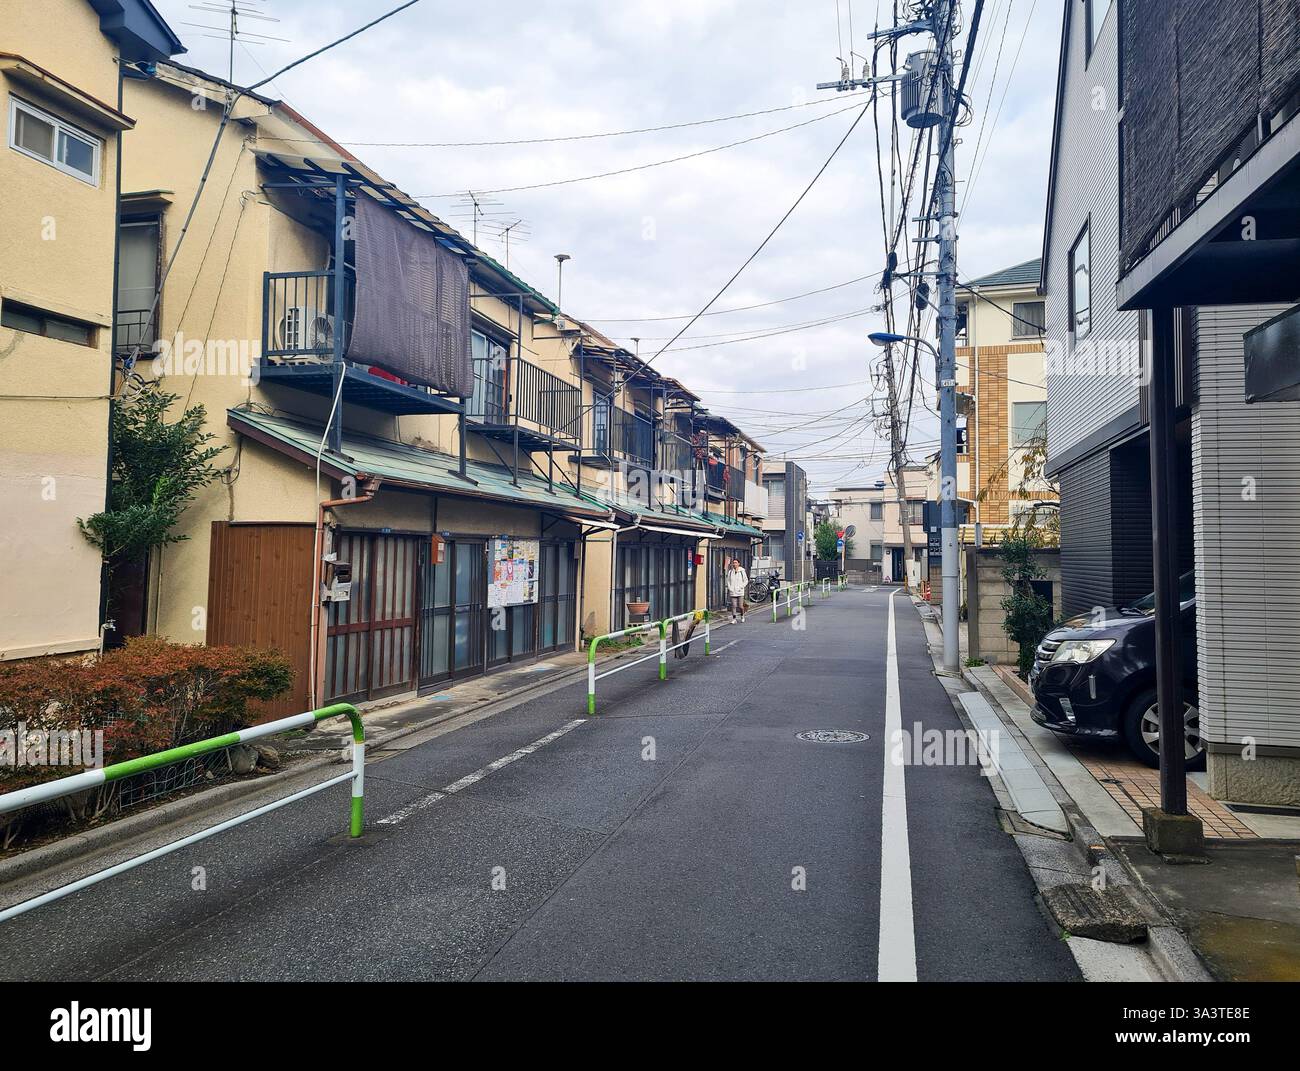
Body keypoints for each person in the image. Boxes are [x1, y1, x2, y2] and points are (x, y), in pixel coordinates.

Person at [725, 557, 748, 623]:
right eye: (733, 563)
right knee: (734, 605)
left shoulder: (742, 571)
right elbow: (728, 581)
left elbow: (746, 580)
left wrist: (741, 587)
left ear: (738, 564)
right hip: (733, 591)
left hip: (740, 591)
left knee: (740, 606)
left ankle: (742, 615)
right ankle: (734, 618)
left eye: (735, 563)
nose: (734, 564)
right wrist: (730, 588)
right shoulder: (730, 572)